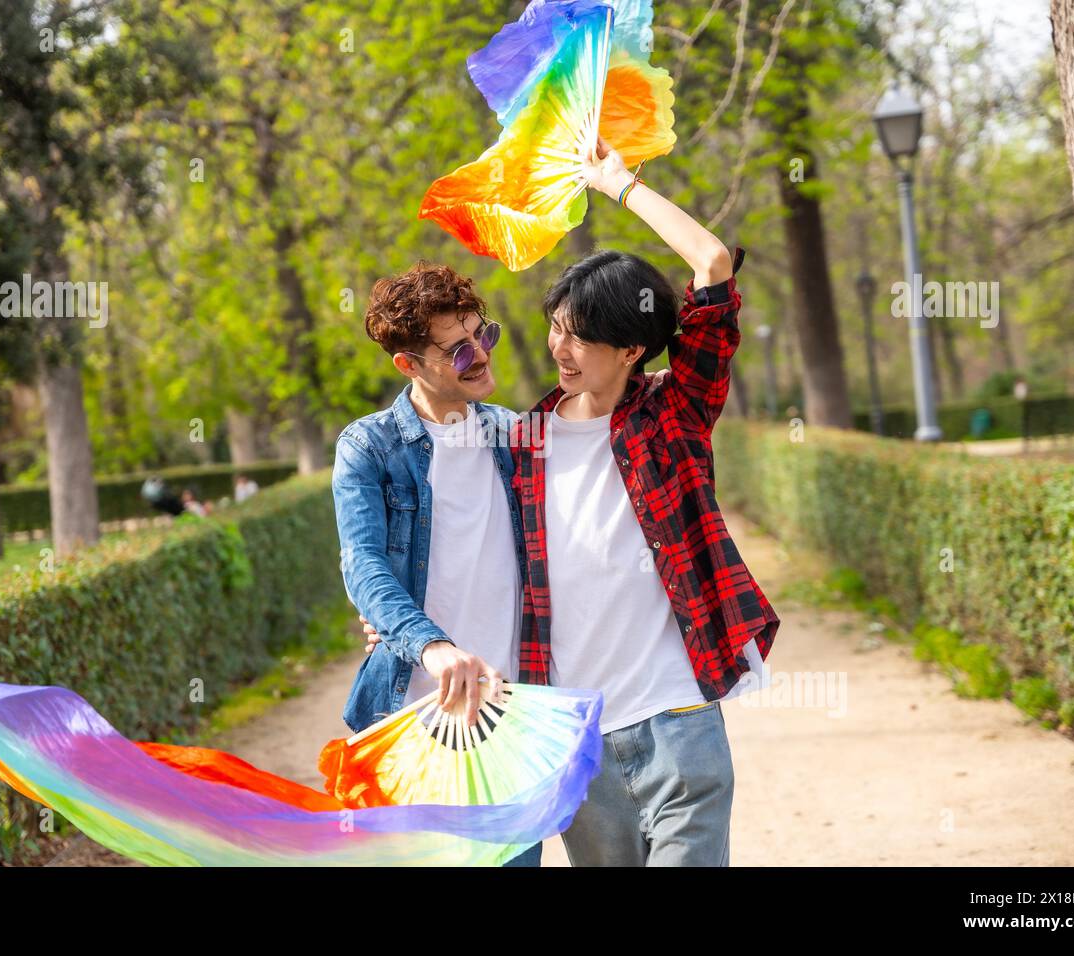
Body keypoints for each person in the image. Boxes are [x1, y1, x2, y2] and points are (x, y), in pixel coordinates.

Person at [507, 137, 780, 865]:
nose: (559, 350)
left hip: (678, 719)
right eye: (555, 329)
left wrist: (620, 184)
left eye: (581, 338)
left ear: (631, 349)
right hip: (576, 735)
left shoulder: (673, 412)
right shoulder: (518, 443)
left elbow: (712, 265)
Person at [330, 260, 537, 867]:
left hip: (514, 716)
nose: (482, 356)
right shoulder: (368, 447)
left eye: (485, 335)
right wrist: (428, 644)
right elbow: (364, 565)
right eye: (459, 350)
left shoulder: (515, 436)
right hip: (413, 714)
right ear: (408, 364)